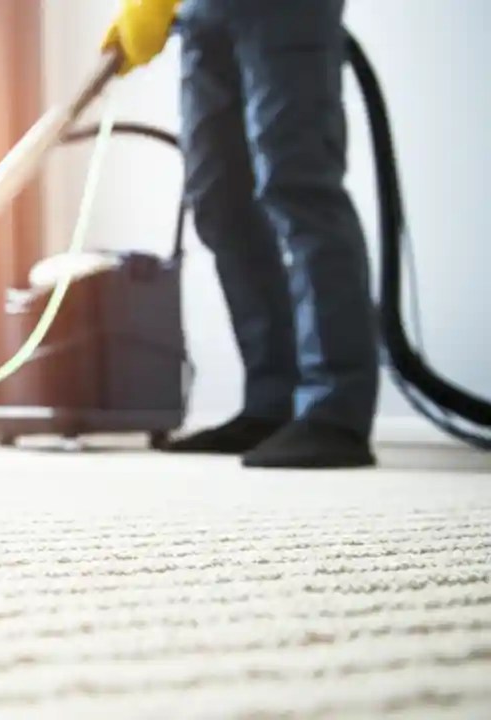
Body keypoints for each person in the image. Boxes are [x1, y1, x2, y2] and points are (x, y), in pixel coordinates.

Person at [102, 0, 378, 468]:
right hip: (202, 11)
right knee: (218, 200)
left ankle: (334, 413)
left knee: (298, 186)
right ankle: (272, 405)